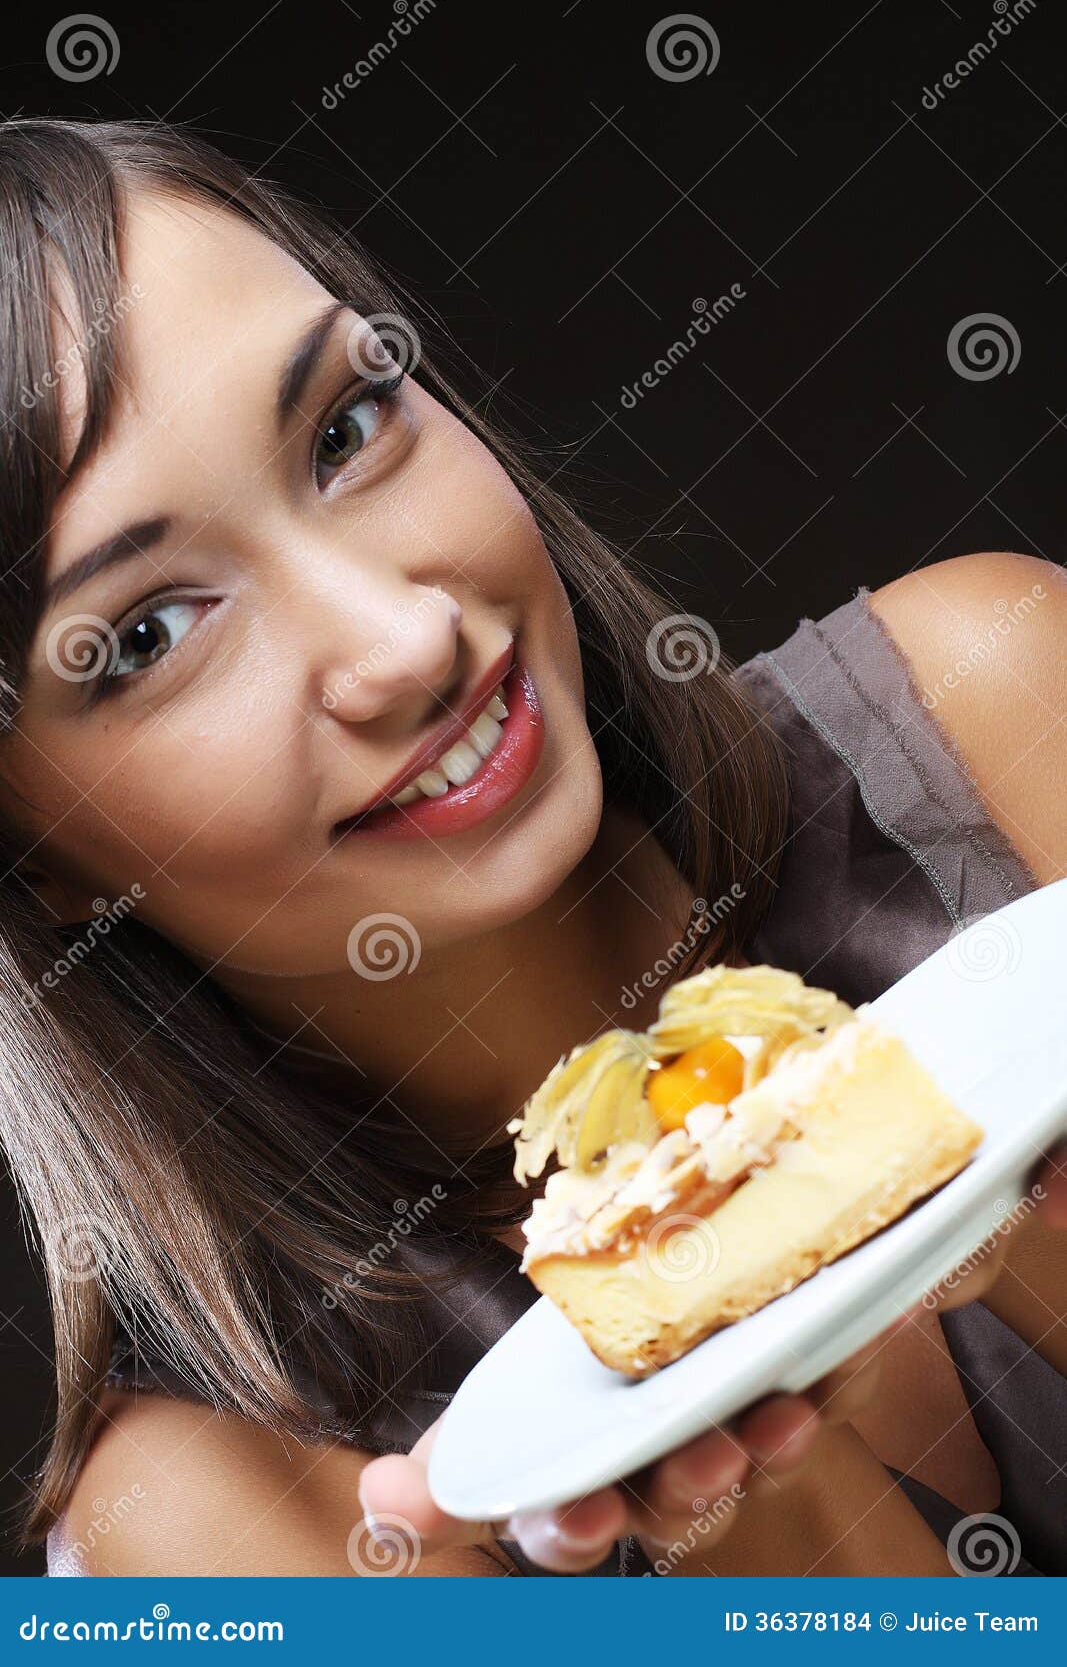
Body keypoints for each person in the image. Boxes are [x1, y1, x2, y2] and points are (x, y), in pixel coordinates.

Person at [0, 119, 1062, 1578]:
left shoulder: (991, 703)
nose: (407, 638)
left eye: (342, 431)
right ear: (31, 855)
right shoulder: (212, 1526)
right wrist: (766, 1524)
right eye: (147, 634)